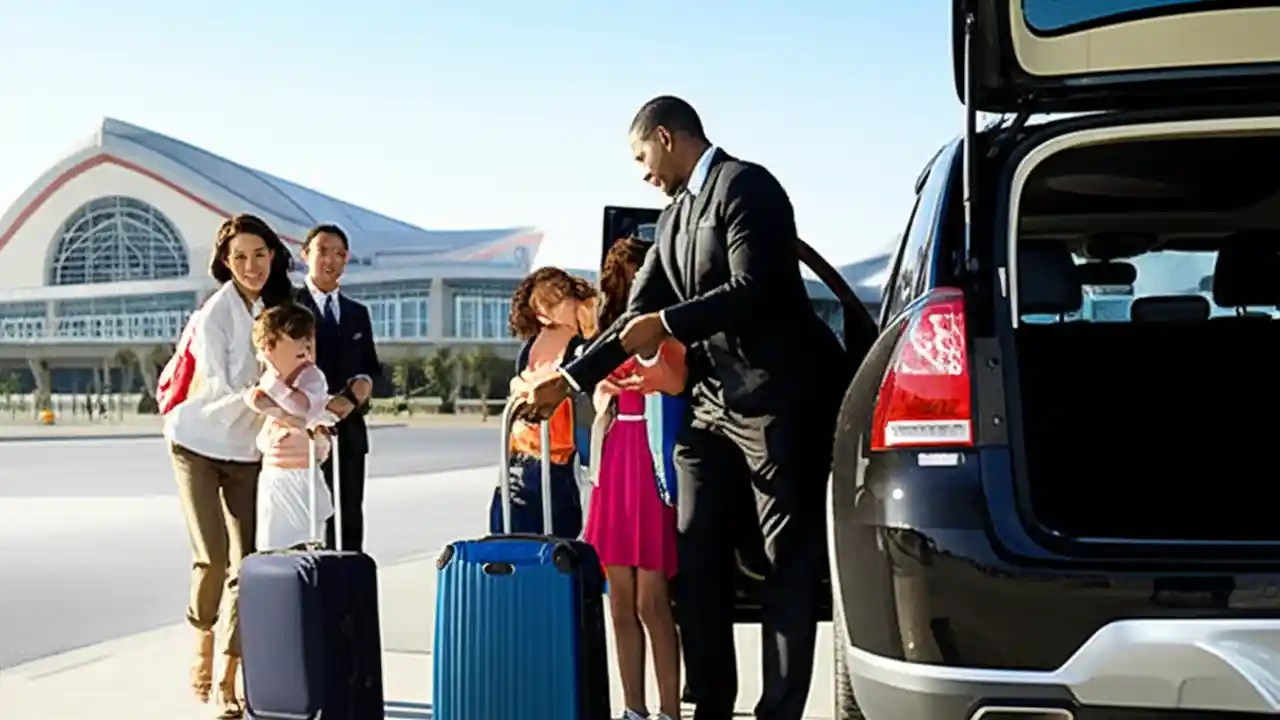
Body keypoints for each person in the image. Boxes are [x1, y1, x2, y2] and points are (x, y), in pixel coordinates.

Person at [520, 96, 850, 720]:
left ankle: (777, 709)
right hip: (707, 410)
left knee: (786, 565)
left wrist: (668, 322)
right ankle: (712, 705)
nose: (642, 172)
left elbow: (754, 290)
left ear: (666, 138)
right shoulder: (670, 220)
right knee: (696, 558)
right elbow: (628, 322)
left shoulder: (748, 187)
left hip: (776, 401)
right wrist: (568, 381)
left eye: (641, 155)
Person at [163, 212, 295, 719]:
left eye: (259, 254)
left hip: (246, 451)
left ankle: (228, 678)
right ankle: (200, 644)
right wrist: (280, 399)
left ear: (272, 257)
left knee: (250, 564)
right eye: (239, 256)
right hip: (195, 443)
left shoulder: (272, 309)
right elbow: (225, 383)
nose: (251, 264)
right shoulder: (214, 314)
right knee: (213, 558)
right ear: (224, 261)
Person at [583, 236, 685, 720]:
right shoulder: (607, 335)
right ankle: (634, 709)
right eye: (625, 274)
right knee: (619, 602)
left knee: (652, 601)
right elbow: (593, 387)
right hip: (615, 462)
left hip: (653, 464)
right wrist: (602, 390)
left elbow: (676, 381)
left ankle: (669, 709)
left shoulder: (667, 327)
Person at [293, 224, 379, 553]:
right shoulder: (287, 308)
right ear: (305, 255)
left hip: (349, 433)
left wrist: (358, 392)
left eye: (340, 254)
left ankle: (349, 597)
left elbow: (371, 368)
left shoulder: (358, 314)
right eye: (323, 251)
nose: (331, 260)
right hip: (302, 434)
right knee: (304, 523)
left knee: (348, 521)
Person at [498, 267, 597, 538]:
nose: (562, 307)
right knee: (509, 533)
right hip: (520, 456)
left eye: (562, 297)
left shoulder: (584, 343)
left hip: (559, 459)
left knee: (557, 540)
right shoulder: (533, 344)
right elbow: (518, 380)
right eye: (548, 306)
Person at [246, 302, 340, 550]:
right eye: (296, 337)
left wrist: (274, 391)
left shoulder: (311, 377)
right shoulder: (268, 381)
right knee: (273, 543)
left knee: (306, 541)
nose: (305, 345)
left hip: (303, 474)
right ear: (268, 347)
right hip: (275, 474)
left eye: (308, 337)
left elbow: (302, 409)